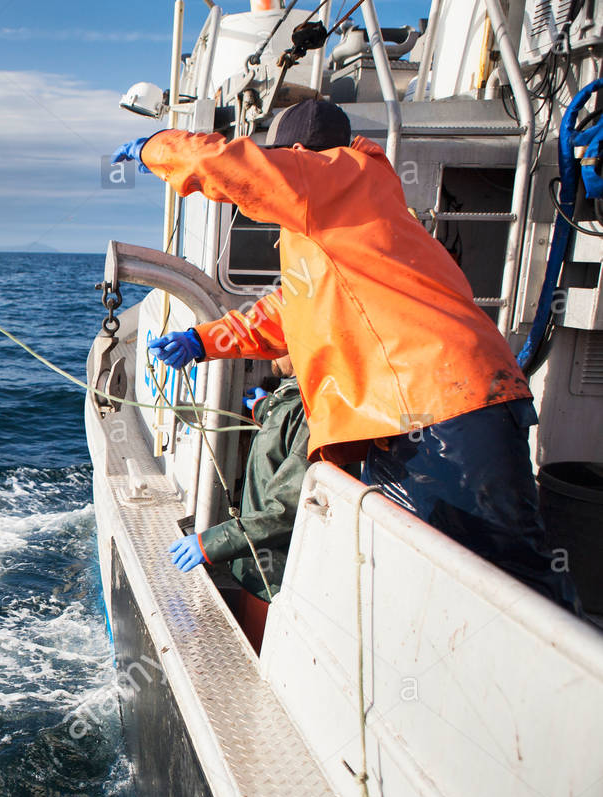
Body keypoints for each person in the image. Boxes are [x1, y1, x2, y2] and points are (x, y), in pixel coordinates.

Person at [112, 99, 579, 611]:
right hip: (411, 412)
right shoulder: (342, 218)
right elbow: (295, 308)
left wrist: (153, 148)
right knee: (429, 566)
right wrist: (205, 340)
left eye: (287, 157)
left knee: (510, 574)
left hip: (444, 403)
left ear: (298, 154)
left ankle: (569, 681)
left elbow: (230, 166)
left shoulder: (340, 176)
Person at [168, 356, 310, 651]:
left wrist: (211, 543)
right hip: (256, 571)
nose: (269, 352)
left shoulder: (310, 411)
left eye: (279, 342)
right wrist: (264, 407)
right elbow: (283, 438)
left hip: (274, 581)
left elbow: (286, 512)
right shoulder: (295, 397)